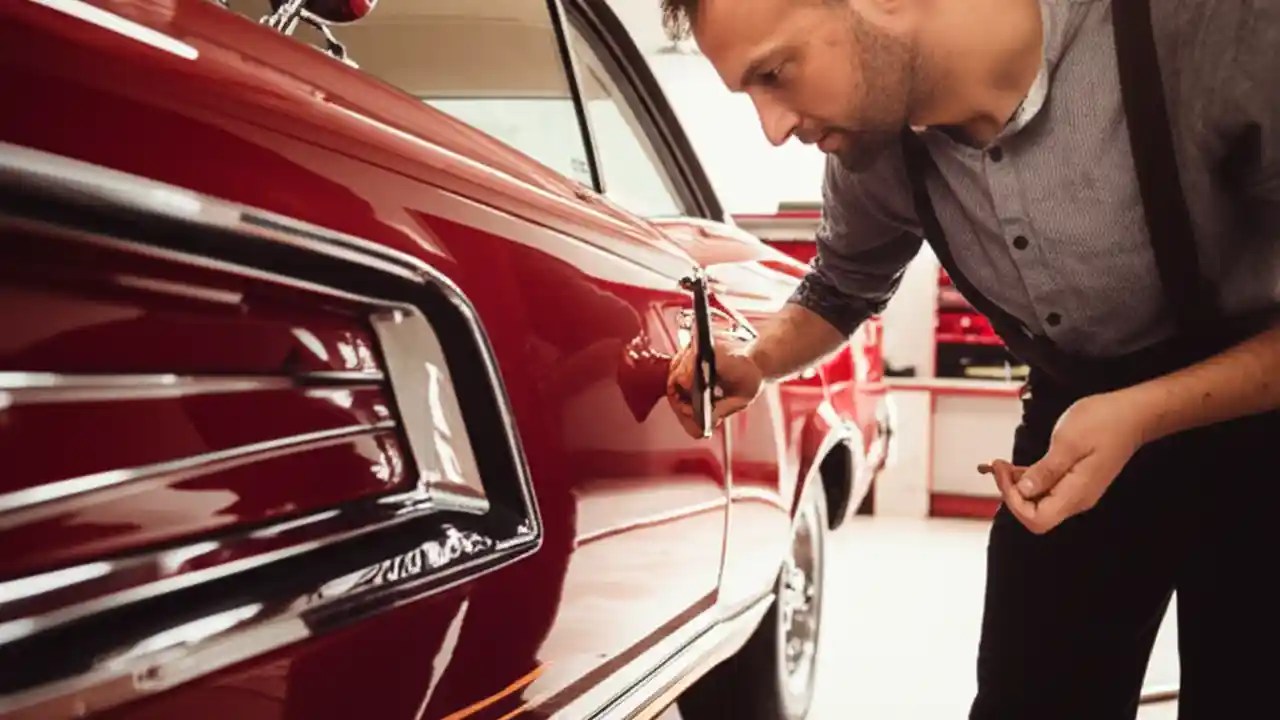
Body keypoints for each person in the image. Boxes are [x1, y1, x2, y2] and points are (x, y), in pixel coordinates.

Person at [661, 0, 1279, 717]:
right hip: (1076, 425)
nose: (773, 129)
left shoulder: (1210, 25)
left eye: (774, 73)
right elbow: (840, 285)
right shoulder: (871, 138)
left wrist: (1144, 414)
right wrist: (757, 360)